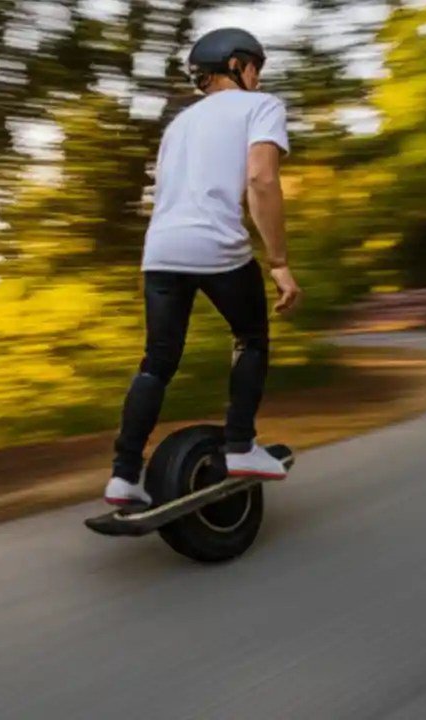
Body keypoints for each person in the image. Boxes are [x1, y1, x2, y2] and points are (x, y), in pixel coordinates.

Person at [104, 27, 301, 507]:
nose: (259, 76)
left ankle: (124, 476)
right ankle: (241, 445)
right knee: (251, 336)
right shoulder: (262, 106)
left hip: (161, 250)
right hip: (215, 246)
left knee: (158, 361)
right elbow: (260, 178)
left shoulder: (178, 125)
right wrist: (278, 261)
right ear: (239, 65)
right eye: (256, 65)